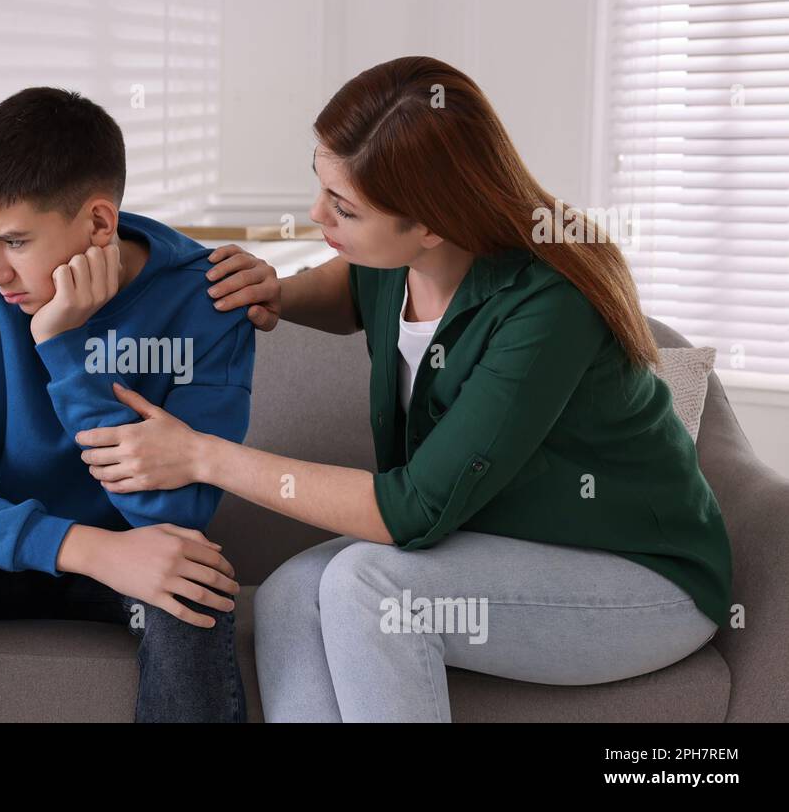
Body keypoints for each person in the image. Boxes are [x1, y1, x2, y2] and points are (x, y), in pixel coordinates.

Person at [74, 57, 732, 722]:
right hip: (498, 541)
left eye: (344, 208)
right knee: (287, 594)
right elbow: (354, 290)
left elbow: (411, 509)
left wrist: (200, 454)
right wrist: (281, 290)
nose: (314, 213)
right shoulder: (396, 257)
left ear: (430, 223)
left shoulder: (550, 309)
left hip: (640, 578)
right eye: (321, 186)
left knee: (373, 589)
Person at [0, 86, 256, 723]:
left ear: (98, 223)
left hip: (136, 548)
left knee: (195, 587)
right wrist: (85, 547)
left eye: (14, 242)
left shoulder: (208, 301)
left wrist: (65, 348)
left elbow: (177, 510)